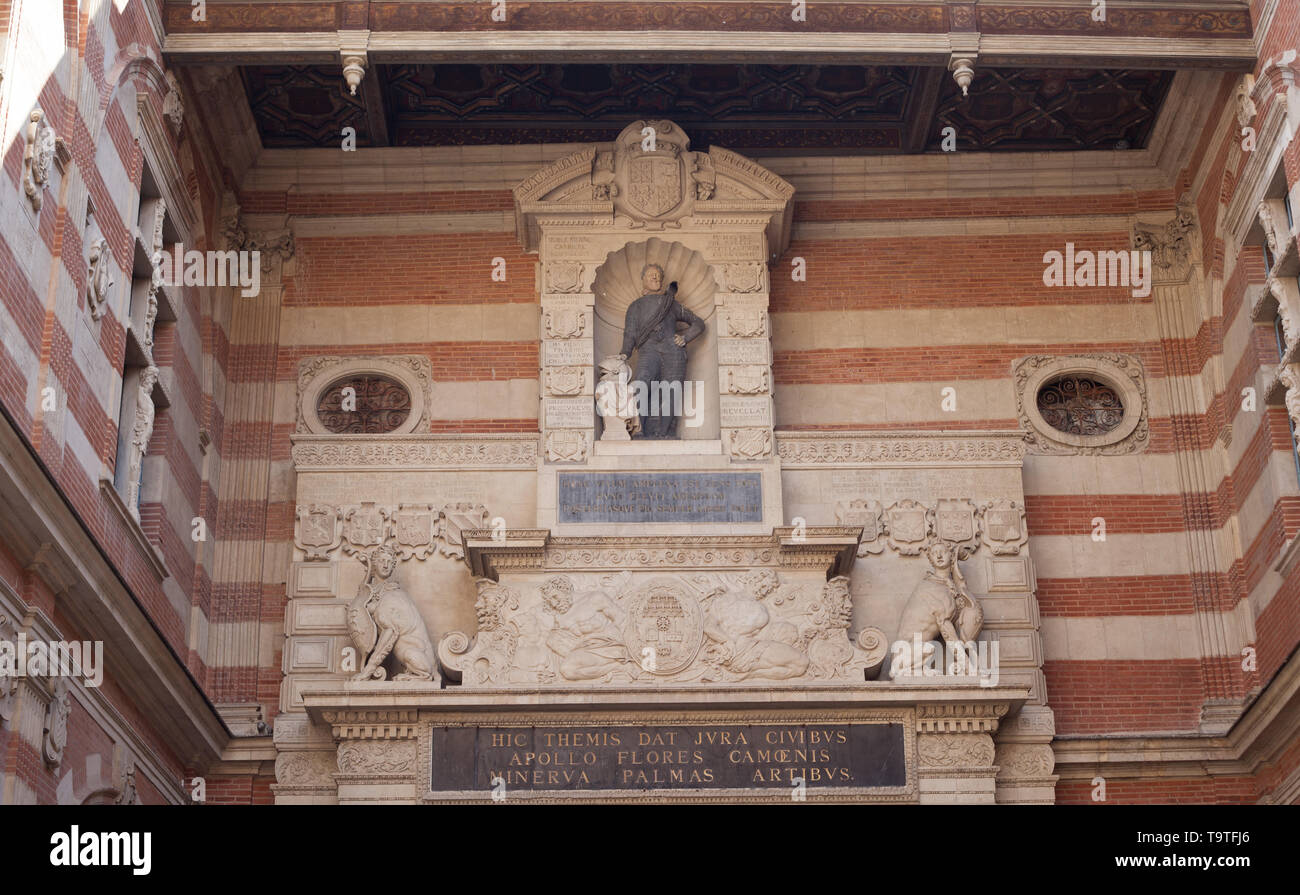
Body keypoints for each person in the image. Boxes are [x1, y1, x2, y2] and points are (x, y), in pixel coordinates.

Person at [618, 263, 705, 439]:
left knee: (672, 390)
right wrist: (624, 354)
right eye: (651, 275)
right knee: (642, 385)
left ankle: (666, 432)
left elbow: (698, 323)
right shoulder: (636, 306)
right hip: (648, 350)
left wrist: (685, 338)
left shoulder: (671, 304)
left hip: (673, 351)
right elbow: (630, 334)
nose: (655, 278)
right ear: (643, 279)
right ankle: (639, 430)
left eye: (658, 275)